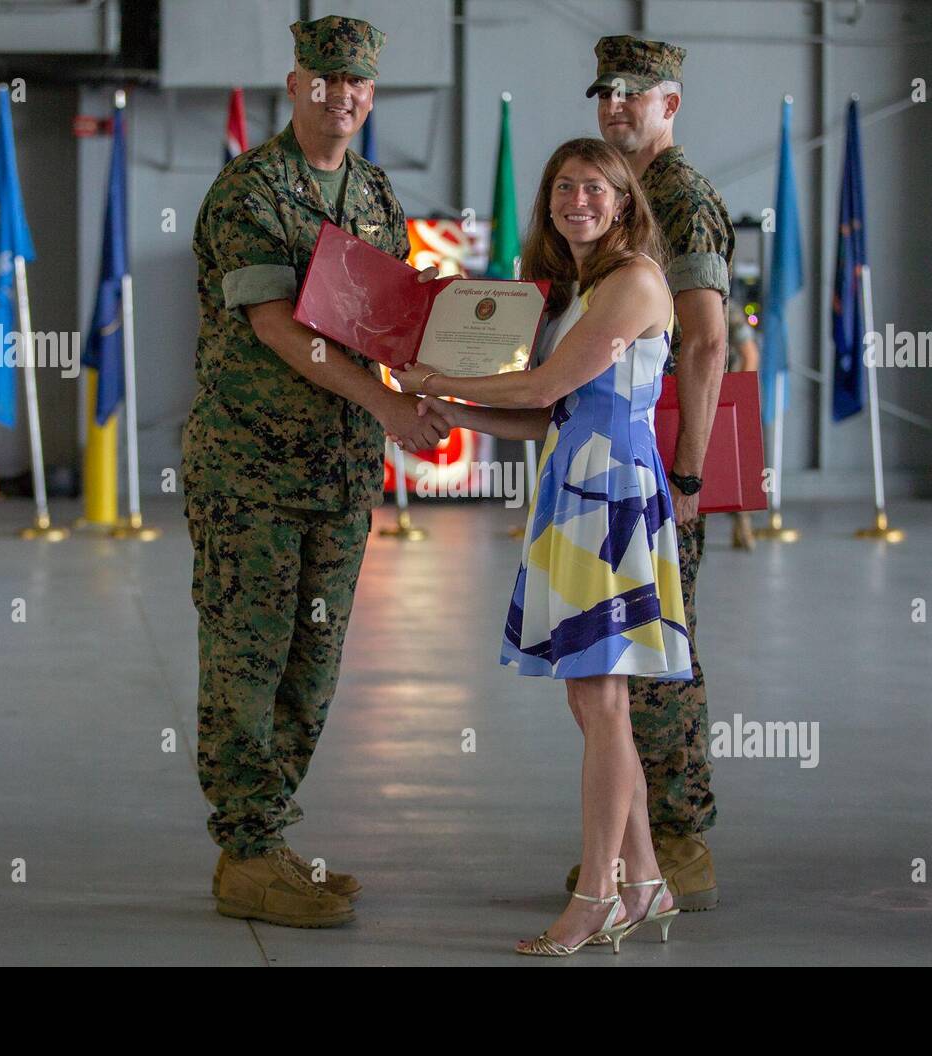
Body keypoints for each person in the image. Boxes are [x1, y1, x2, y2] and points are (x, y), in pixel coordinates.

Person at [181, 14, 453, 928]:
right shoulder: (248, 191)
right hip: (250, 466)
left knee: (312, 664)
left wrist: (450, 357)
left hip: (337, 476)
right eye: (325, 80)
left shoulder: (373, 193)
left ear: (372, 95)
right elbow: (275, 327)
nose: (342, 96)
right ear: (295, 85)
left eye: (358, 84)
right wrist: (387, 407)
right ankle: (245, 852)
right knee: (246, 658)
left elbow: (389, 318)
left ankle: (266, 839)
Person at [392, 138, 689, 956]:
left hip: (611, 496)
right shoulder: (580, 290)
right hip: (575, 485)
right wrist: (458, 416)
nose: (577, 200)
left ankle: (595, 896)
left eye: (595, 187)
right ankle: (646, 880)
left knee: (600, 700)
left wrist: (435, 384)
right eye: (564, 187)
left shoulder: (632, 282)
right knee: (593, 699)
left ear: (625, 202)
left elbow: (546, 386)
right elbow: (541, 415)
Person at [584, 35, 734, 908]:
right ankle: (638, 848)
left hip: (658, 472)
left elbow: (707, 339)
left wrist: (686, 478)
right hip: (620, 468)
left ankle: (676, 845)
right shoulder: (623, 193)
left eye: (635, 94)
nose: (616, 106)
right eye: (606, 91)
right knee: (625, 651)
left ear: (669, 106)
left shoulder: (678, 196)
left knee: (659, 654)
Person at [727, 299, 760, 549]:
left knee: (737, 471)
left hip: (726, 401)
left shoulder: (730, 310)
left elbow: (750, 355)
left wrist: (738, 401)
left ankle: (743, 527)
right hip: (703, 400)